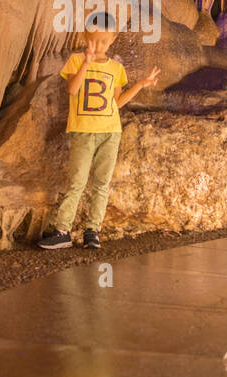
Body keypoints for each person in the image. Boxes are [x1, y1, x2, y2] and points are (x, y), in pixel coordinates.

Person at [38, 13, 160, 250]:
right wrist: (86, 61)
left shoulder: (116, 68)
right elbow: (72, 90)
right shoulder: (75, 60)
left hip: (110, 132)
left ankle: (92, 231)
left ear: (113, 38)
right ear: (85, 36)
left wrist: (140, 85)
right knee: (77, 181)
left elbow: (117, 103)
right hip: (83, 132)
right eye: (95, 40)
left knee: (101, 183)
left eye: (104, 41)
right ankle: (63, 231)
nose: (99, 45)